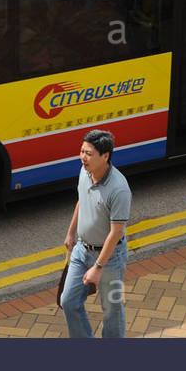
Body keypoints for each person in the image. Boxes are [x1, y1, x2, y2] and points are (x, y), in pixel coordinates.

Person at [61, 129, 131, 338]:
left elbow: (115, 233)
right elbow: (81, 201)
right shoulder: (85, 172)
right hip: (81, 249)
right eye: (82, 151)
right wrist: (71, 233)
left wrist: (98, 267)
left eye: (89, 153)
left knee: (112, 309)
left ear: (105, 156)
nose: (83, 157)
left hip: (110, 258)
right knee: (68, 301)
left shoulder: (119, 189)